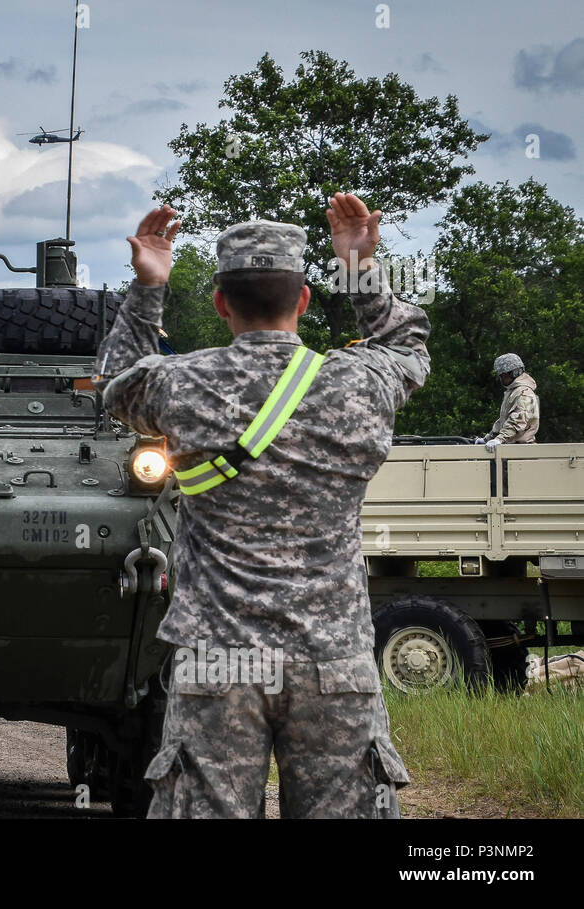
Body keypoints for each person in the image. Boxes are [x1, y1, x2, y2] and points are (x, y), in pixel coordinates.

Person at [95, 193, 431, 818]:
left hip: (219, 660)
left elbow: (115, 382)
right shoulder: (359, 384)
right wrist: (359, 265)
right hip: (333, 661)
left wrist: (148, 287)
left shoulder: (180, 384)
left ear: (221, 303)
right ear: (304, 299)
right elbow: (407, 345)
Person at [475, 354, 538, 450]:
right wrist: (488, 439)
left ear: (514, 373)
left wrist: (499, 439)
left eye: (503, 375)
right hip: (510, 448)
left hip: (522, 451)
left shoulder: (523, 393)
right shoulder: (513, 391)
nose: (502, 379)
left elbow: (517, 421)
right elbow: (503, 422)